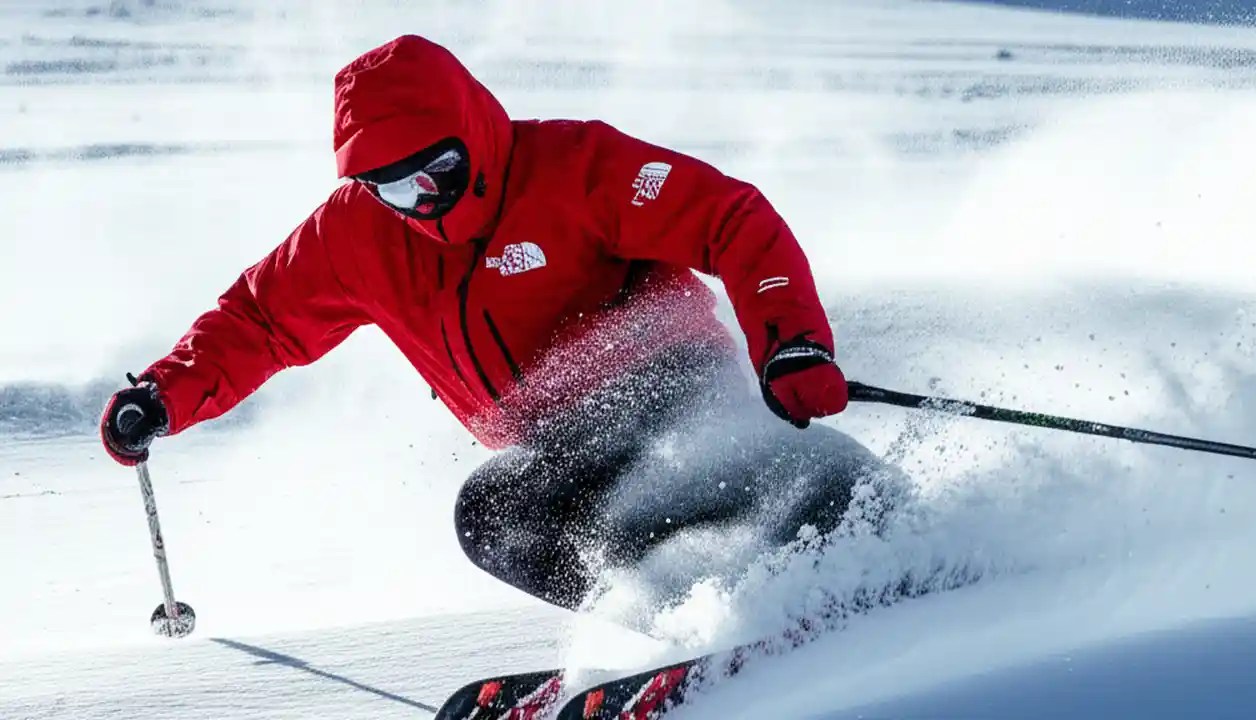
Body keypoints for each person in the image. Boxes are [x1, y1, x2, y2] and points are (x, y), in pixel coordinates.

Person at [99, 35, 899, 611]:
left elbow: (728, 218)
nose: (425, 203)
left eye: (437, 173)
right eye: (395, 189)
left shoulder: (572, 168)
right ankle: (684, 620)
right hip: (552, 441)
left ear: (472, 130)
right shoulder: (354, 236)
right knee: (496, 518)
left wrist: (789, 340)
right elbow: (261, 318)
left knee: (675, 476)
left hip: (668, 385)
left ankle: (857, 510)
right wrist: (165, 395)